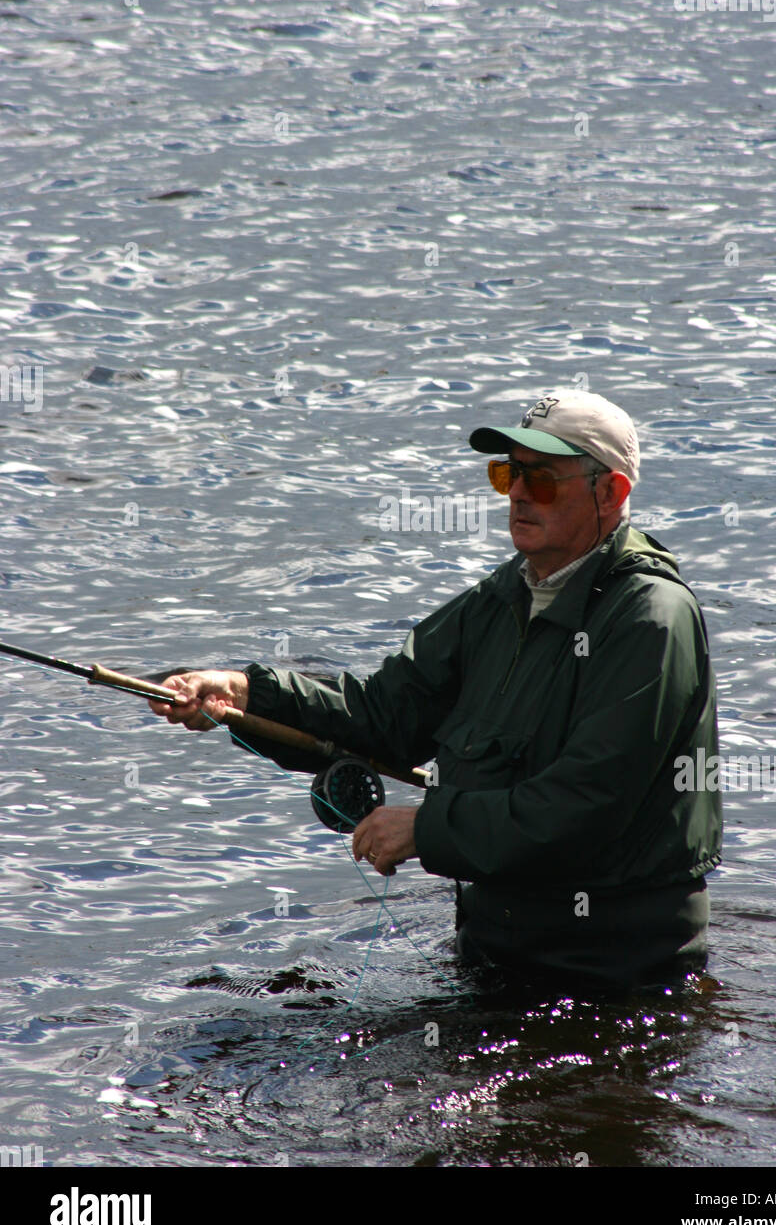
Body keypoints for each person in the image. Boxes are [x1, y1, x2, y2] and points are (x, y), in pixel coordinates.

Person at [150, 390, 722, 990]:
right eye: (508, 473)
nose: (519, 493)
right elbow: (381, 717)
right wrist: (243, 697)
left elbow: (587, 804)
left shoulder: (651, 619)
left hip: (615, 974)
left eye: (544, 479)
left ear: (612, 492)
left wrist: (425, 830)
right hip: (496, 952)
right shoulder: (500, 600)